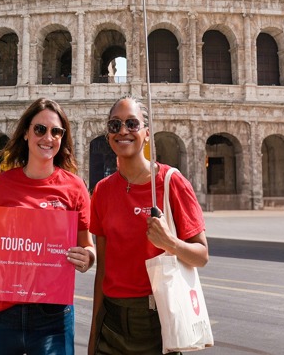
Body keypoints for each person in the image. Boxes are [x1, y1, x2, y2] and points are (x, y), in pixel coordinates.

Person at [0, 98, 95, 355]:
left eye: (56, 131)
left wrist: (88, 258)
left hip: (52, 315)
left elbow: (88, 245)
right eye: (40, 129)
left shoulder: (74, 187)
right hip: (0, 313)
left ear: (62, 137)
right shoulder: (1, 184)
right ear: (26, 133)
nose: (48, 138)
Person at [89, 96, 209, 355]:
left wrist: (170, 243)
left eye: (132, 124)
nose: (123, 131)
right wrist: (93, 337)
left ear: (146, 132)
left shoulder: (171, 181)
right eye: (115, 125)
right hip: (111, 321)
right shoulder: (102, 190)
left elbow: (201, 256)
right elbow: (103, 270)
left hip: (157, 320)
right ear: (108, 135)